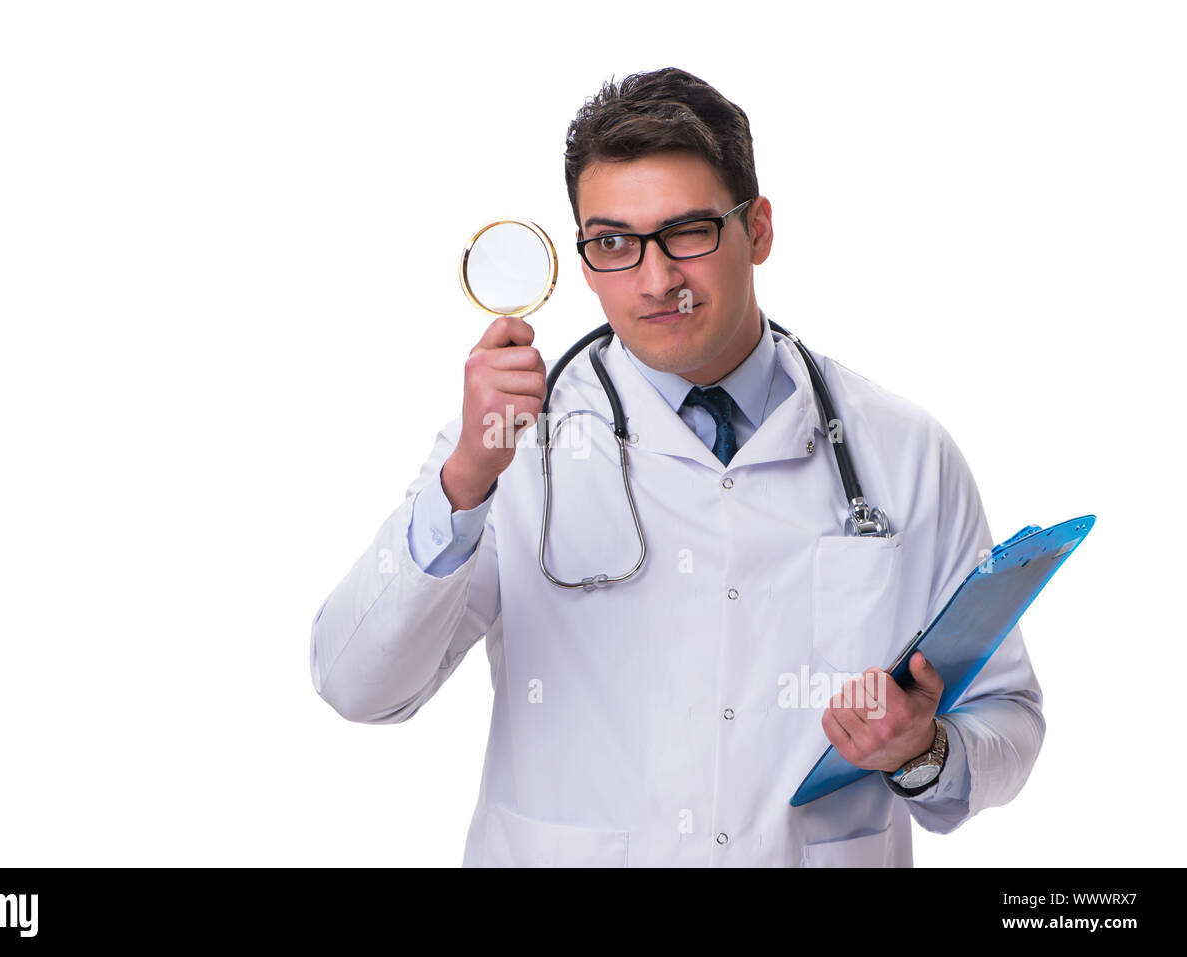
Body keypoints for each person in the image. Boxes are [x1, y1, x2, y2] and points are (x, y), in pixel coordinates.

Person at [309, 67, 1045, 867]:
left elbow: (1007, 713)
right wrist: (465, 481)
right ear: (584, 259)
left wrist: (922, 748)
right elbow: (358, 687)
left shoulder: (902, 451)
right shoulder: (506, 446)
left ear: (758, 229)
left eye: (688, 231)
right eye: (615, 243)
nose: (656, 281)